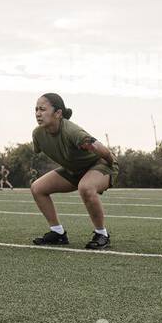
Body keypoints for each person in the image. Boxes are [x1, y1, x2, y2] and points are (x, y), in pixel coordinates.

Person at [28, 93, 119, 249]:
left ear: (58, 113)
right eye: (36, 109)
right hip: (74, 171)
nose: (37, 113)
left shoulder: (72, 131)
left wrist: (111, 165)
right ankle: (57, 233)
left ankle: (102, 234)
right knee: (37, 188)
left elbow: (101, 149)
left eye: (42, 109)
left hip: (100, 165)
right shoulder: (38, 134)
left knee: (86, 187)